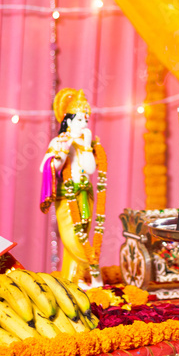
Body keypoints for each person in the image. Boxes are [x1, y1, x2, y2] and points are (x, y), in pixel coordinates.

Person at [40, 88, 108, 284]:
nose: (84, 124)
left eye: (85, 120)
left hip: (84, 194)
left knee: (82, 233)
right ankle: (93, 267)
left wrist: (86, 146)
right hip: (65, 196)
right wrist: (62, 152)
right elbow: (48, 166)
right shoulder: (59, 141)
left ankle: (73, 278)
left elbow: (90, 168)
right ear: (68, 121)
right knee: (72, 238)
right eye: (79, 120)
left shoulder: (87, 143)